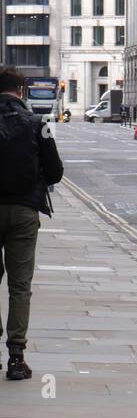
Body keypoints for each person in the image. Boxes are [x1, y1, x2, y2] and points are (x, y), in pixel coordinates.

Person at [0, 66, 64, 381]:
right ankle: (16, 357)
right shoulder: (39, 124)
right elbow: (56, 173)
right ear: (21, 91)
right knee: (19, 286)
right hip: (24, 212)